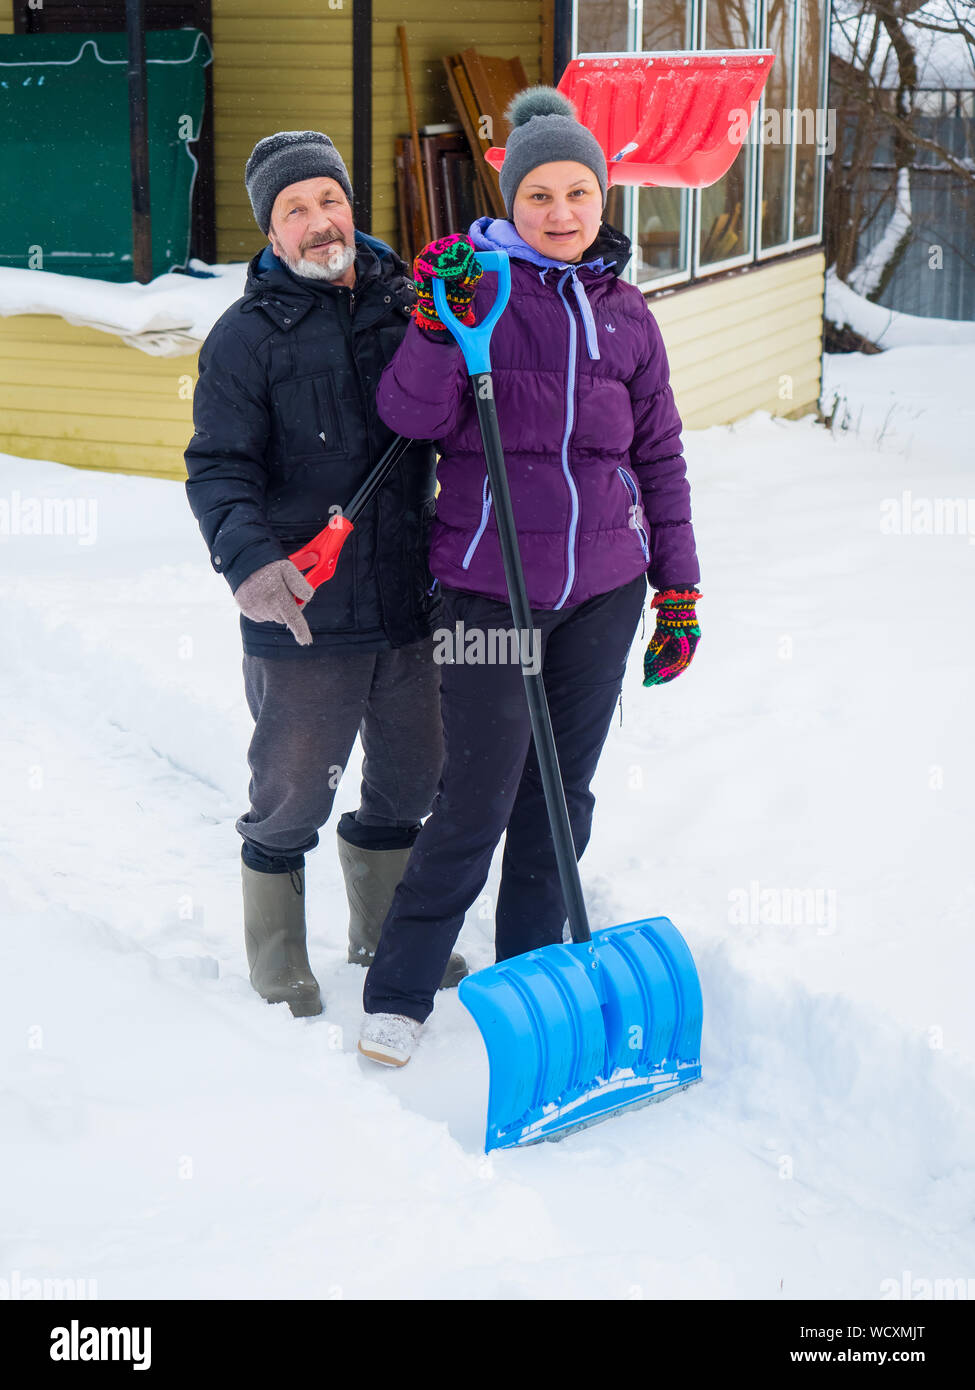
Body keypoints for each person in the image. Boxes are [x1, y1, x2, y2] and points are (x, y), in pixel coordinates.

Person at [357, 88, 702, 1066]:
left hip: (604, 589)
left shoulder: (629, 315)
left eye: (579, 192)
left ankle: (528, 975)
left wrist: (677, 586)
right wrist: (433, 325)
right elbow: (412, 417)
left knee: (564, 796)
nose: (560, 211)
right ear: (511, 200)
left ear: (603, 199)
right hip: (486, 584)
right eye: (540, 193)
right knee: (477, 791)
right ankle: (400, 991)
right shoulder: (475, 291)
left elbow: (660, 456)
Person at [184, 130, 467, 1019]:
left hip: (405, 598)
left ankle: (380, 929)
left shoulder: (409, 307)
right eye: (295, 210)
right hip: (299, 610)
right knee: (293, 789)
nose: (318, 223)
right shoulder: (243, 339)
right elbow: (218, 466)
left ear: (352, 207)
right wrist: (252, 563)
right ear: (270, 232)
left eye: (329, 201)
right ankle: (278, 957)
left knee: (413, 777)